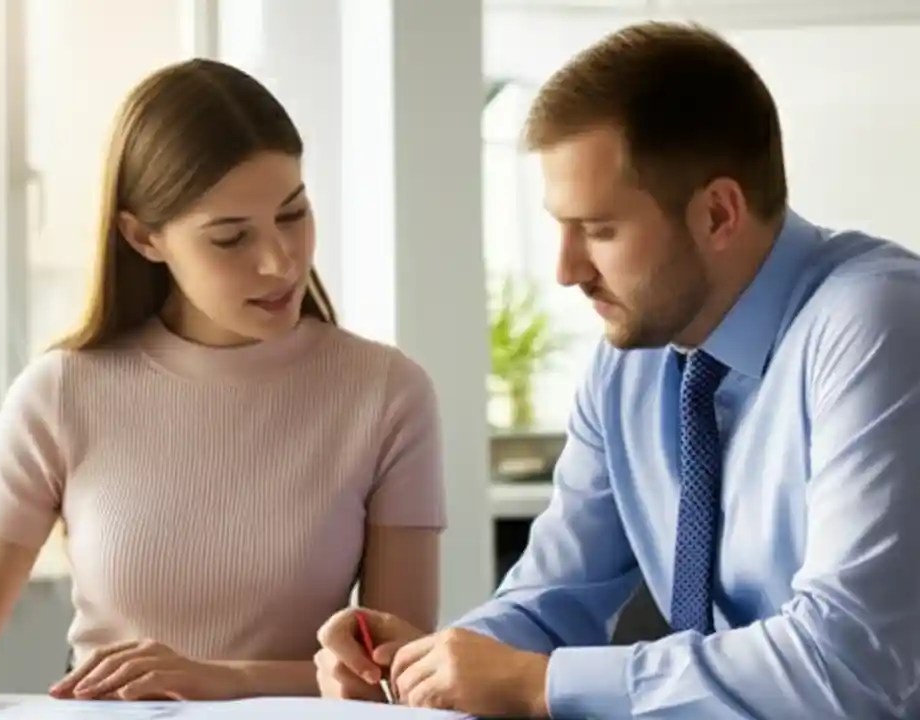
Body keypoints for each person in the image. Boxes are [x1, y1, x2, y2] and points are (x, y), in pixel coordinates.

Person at [315, 20, 920, 719]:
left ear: (718, 214)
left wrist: (535, 684)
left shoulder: (877, 323)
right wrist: (427, 664)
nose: (567, 270)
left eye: (599, 231)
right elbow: (554, 598)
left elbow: (847, 664)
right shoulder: (631, 361)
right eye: (561, 227)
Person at [0, 58, 446, 708]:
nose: (280, 260)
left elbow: (400, 673)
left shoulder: (387, 393)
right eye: (231, 238)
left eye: (293, 214)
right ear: (144, 237)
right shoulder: (61, 393)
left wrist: (225, 681)